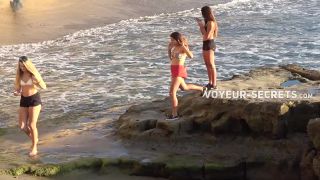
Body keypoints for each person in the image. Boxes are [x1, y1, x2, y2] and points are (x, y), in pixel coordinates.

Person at [167, 32, 206, 120]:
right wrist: (169, 50)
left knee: (172, 93)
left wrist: (184, 47)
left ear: (177, 39)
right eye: (170, 40)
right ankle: (202, 89)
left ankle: (175, 115)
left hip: (179, 70)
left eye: (172, 39)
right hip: (174, 70)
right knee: (184, 88)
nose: (171, 41)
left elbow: (191, 56)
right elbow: (171, 59)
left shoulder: (182, 47)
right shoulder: (174, 48)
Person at [13, 56, 46, 156]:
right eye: (20, 66)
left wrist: (37, 82)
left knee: (32, 125)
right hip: (24, 100)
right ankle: (35, 139)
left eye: (24, 66)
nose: (22, 68)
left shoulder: (33, 74)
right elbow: (18, 89)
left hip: (34, 100)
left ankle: (34, 147)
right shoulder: (20, 75)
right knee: (22, 126)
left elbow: (44, 86)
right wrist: (16, 92)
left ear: (28, 65)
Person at [195, 6, 219, 90]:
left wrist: (202, 26)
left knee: (211, 64)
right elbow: (203, 34)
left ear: (205, 13)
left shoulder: (211, 23)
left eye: (202, 13)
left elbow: (208, 36)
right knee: (207, 64)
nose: (202, 15)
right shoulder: (207, 21)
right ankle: (210, 82)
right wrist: (200, 26)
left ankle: (214, 84)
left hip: (209, 44)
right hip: (205, 43)